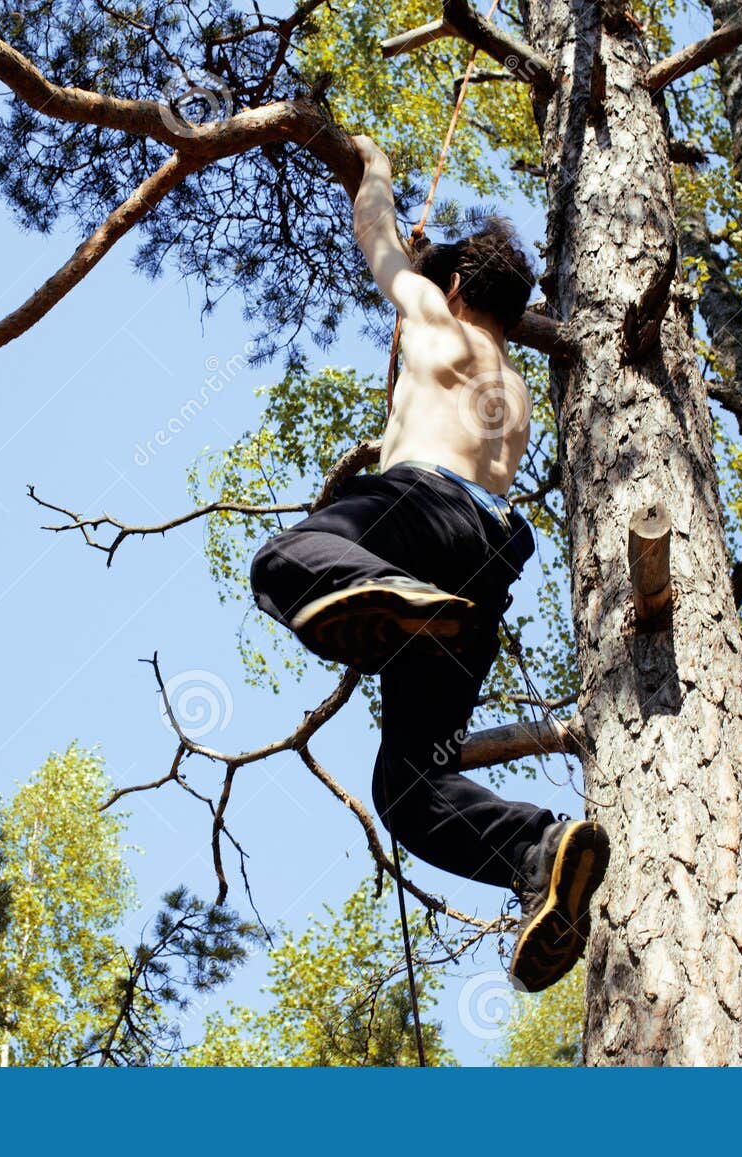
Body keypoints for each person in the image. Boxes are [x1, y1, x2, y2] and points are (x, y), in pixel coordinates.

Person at [248, 134, 610, 992]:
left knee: (283, 559)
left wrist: (369, 162)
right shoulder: (515, 388)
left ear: (452, 288)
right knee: (410, 788)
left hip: (426, 516)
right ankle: (538, 845)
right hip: (482, 575)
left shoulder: (436, 321)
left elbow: (375, 234)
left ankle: (383, 594)